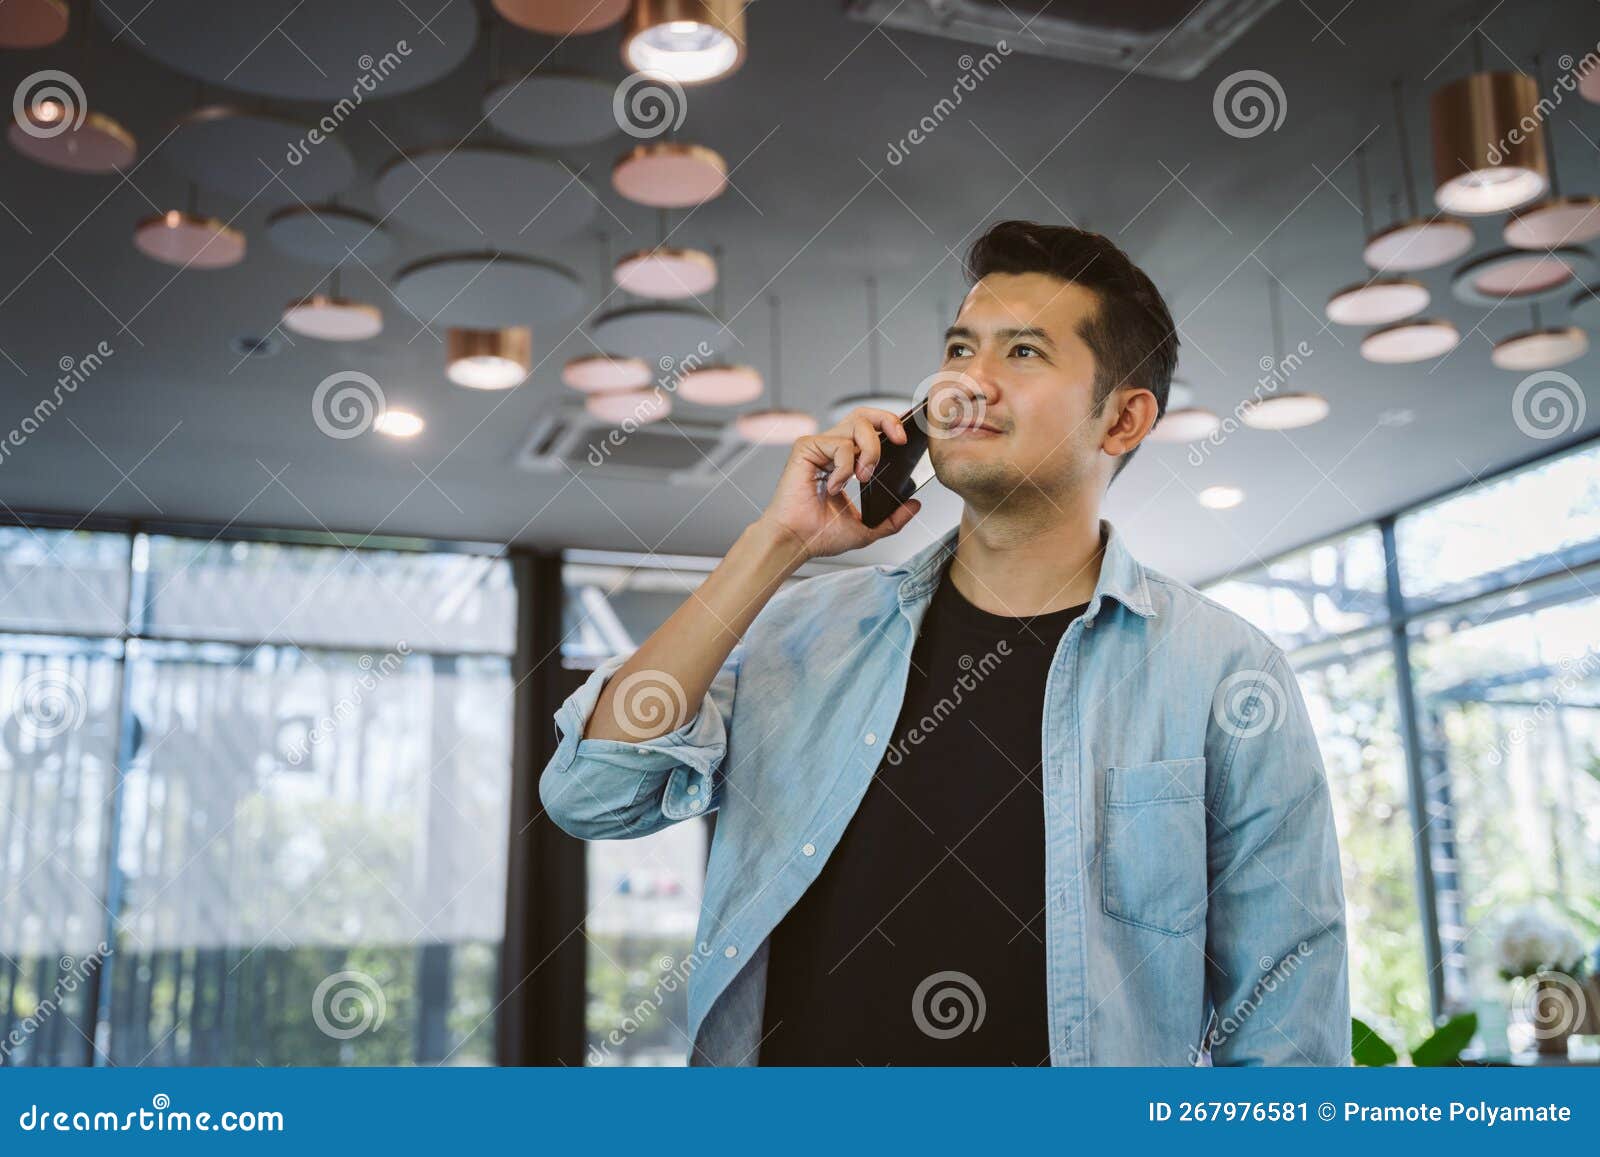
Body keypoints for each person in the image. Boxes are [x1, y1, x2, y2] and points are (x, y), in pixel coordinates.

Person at [541, 219, 1349, 1066]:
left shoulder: (1223, 671)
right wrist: (775, 544)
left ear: (1122, 420)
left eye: (1023, 354)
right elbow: (590, 792)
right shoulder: (810, 630)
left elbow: (1289, 1016)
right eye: (960, 349)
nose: (967, 384)